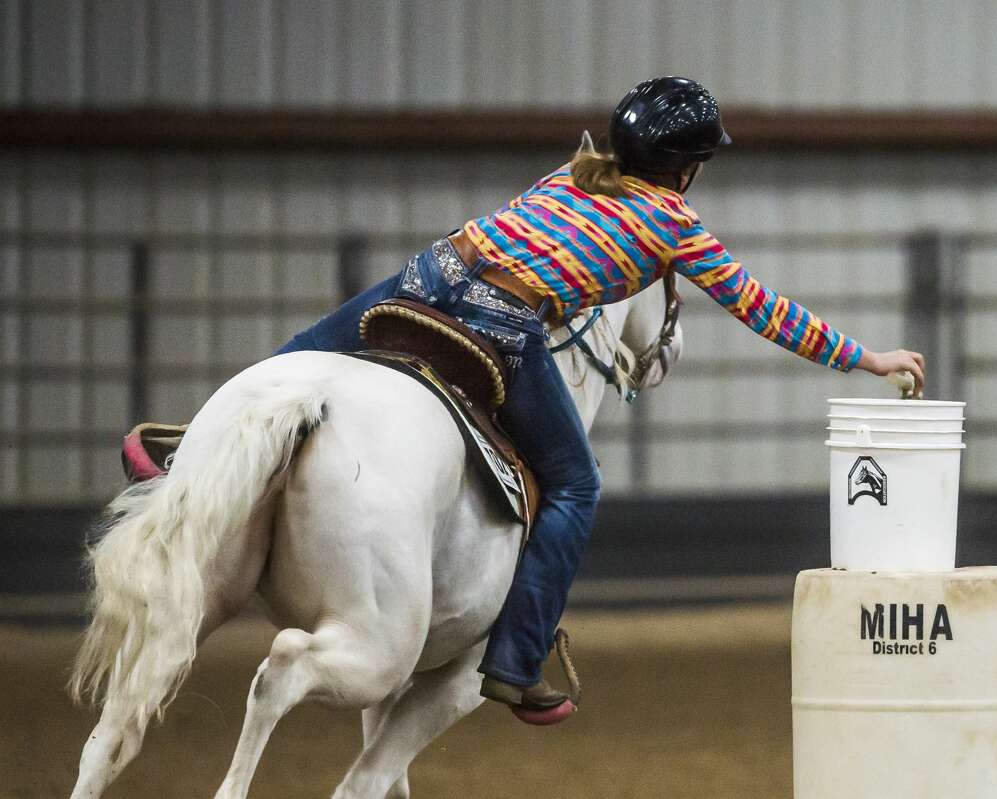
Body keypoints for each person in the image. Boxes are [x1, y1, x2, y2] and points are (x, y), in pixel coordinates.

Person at [275, 76, 926, 720]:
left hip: (431, 273)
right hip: (501, 319)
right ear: (687, 168)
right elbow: (764, 310)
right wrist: (867, 358)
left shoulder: (574, 171)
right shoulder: (674, 223)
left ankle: (215, 445)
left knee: (300, 356)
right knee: (576, 484)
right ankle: (515, 663)